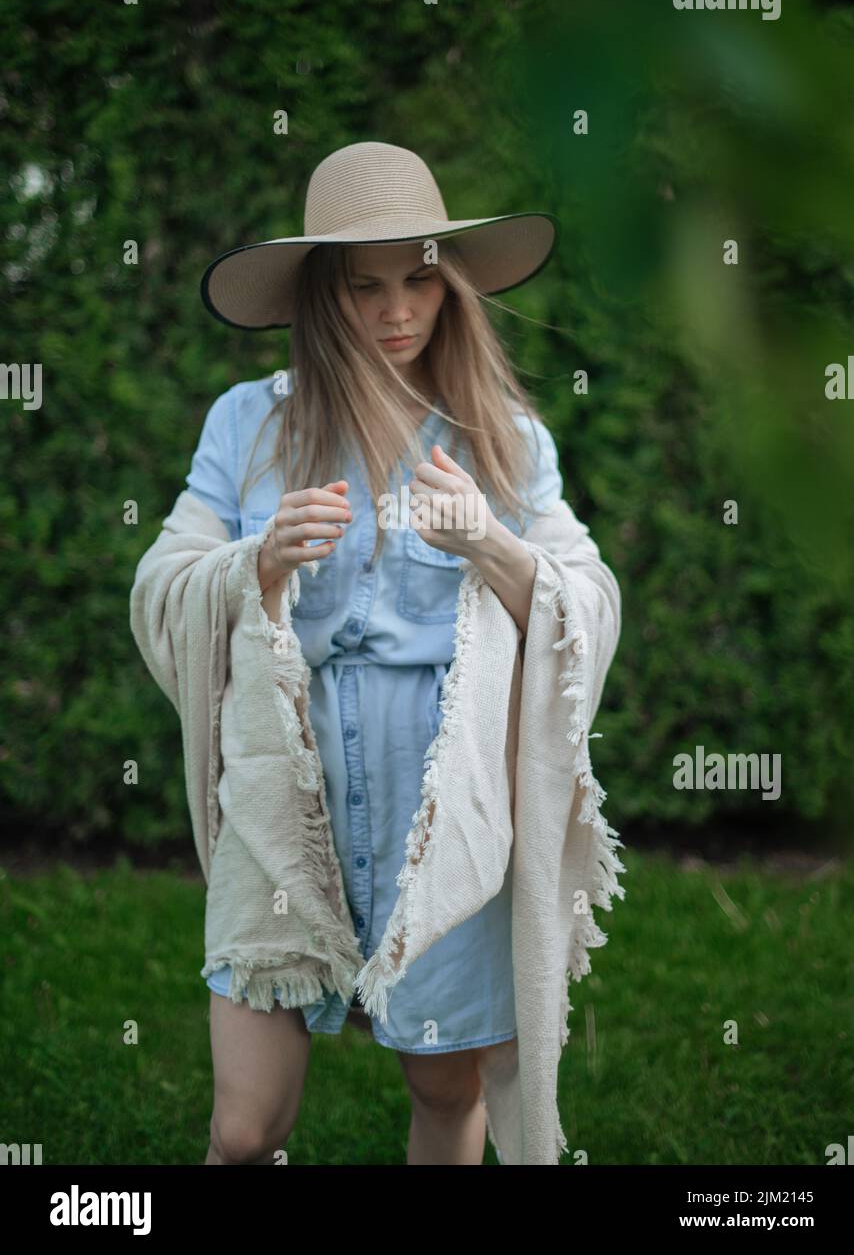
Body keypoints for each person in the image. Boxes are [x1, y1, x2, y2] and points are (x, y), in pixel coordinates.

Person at [182, 142, 568, 1164]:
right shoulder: (247, 425)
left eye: (421, 278)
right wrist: (255, 564)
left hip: (440, 794)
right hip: (283, 784)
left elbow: (581, 601)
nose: (399, 309)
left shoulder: (504, 436)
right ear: (319, 293)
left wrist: (486, 539)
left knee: (444, 1084)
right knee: (242, 1123)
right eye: (365, 286)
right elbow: (164, 581)